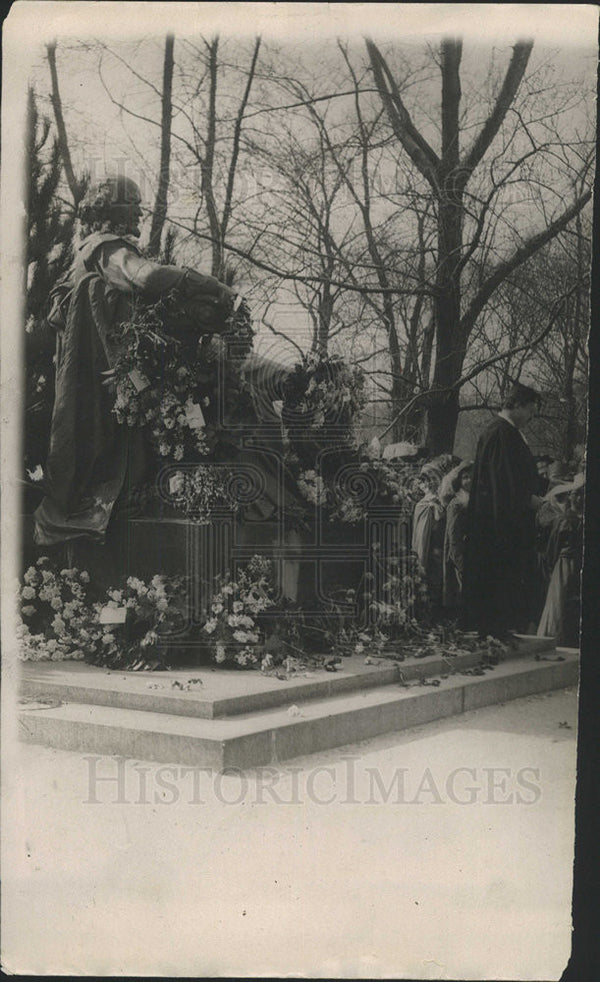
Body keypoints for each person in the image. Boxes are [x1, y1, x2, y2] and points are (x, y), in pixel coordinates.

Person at [34, 175, 237, 553]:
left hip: (114, 379)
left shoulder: (91, 250)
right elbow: (146, 276)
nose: (139, 218)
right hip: (111, 383)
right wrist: (211, 286)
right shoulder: (104, 248)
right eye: (134, 209)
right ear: (114, 213)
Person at [463, 383, 545, 640]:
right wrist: (529, 500)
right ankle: (495, 628)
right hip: (498, 525)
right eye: (530, 410)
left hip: (499, 520)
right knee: (497, 575)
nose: (531, 417)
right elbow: (504, 482)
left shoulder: (502, 432)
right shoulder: (501, 434)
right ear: (517, 404)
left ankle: (499, 627)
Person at [442, 461, 473, 611]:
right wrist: (460, 561)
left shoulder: (473, 500)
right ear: (459, 481)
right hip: (458, 554)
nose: (469, 481)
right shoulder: (457, 503)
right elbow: (453, 534)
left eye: (471, 477)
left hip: (470, 551)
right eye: (465, 477)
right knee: (458, 591)